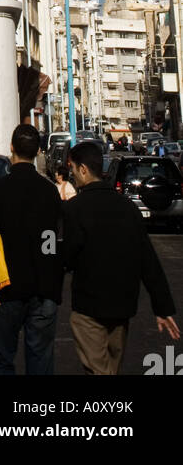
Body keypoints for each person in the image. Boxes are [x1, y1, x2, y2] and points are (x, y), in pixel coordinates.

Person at [63, 140, 179, 374]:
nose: (72, 175)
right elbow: (148, 259)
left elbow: (65, 256)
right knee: (111, 368)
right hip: (122, 306)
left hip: (89, 306)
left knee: (98, 369)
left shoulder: (74, 209)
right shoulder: (128, 208)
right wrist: (162, 307)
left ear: (83, 169)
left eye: (73, 170)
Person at [0, 123, 64, 376]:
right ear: (38, 151)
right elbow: (59, 239)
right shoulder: (50, 191)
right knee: (41, 361)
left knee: (2, 360)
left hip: (6, 288)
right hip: (45, 287)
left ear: (11, 148)